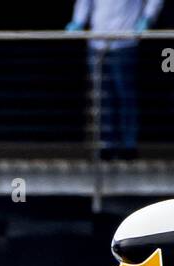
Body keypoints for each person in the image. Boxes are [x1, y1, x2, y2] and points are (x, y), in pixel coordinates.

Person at [68, 0, 164, 158]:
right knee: (101, 97)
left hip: (124, 41)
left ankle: (128, 145)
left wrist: (147, 18)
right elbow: (84, 2)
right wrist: (78, 21)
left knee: (125, 95)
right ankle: (105, 144)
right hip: (97, 41)